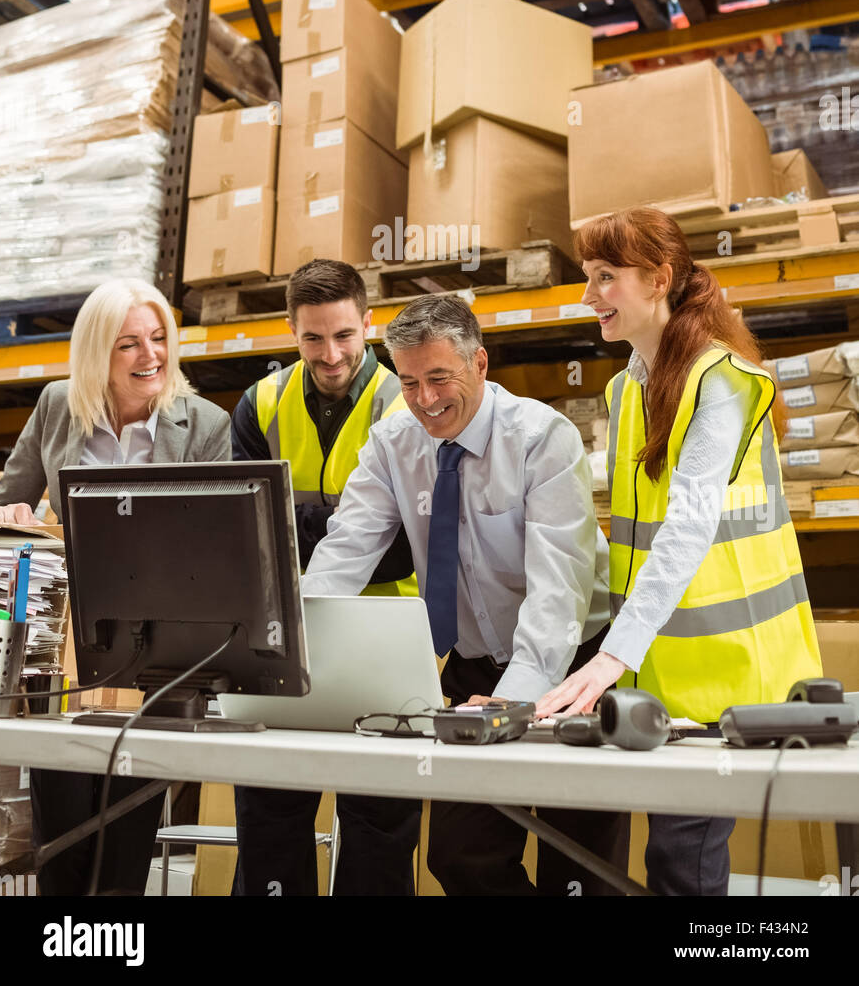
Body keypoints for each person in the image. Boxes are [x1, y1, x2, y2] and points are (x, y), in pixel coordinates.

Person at [302, 293, 630, 896]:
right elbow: (344, 551)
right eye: (408, 382)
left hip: (573, 667)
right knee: (457, 853)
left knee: (580, 868)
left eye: (438, 378)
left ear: (480, 364)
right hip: (471, 665)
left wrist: (513, 707)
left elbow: (560, 592)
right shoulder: (392, 442)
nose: (425, 400)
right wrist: (285, 645)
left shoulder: (540, 438)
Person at [536, 207, 823, 896]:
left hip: (731, 676)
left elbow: (689, 528)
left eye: (606, 278)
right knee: (669, 860)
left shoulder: (719, 383)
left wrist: (612, 656)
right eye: (587, 278)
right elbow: (630, 540)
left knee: (680, 862)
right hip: (661, 678)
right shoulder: (626, 387)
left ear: (659, 278)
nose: (589, 296)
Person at [0, 277, 231, 896]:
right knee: (60, 840)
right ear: (97, 351)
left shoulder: (205, 425)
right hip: (64, 651)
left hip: (154, 656)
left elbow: (217, 547)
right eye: (128, 344)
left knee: (124, 840)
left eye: (158, 339)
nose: (150, 356)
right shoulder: (56, 405)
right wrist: (13, 517)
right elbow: (5, 502)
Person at [230, 258, 421, 897]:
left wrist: (298, 520)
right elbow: (246, 532)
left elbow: (403, 551)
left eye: (344, 335)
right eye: (313, 337)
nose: (330, 353)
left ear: (369, 323)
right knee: (270, 810)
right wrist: (343, 523)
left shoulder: (406, 400)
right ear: (291, 329)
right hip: (288, 629)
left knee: (380, 823)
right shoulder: (260, 404)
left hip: (383, 637)